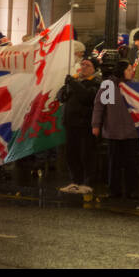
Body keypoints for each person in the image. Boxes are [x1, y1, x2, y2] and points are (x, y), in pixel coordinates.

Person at [92, 61, 139, 203]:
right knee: (114, 163)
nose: (132, 72)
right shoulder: (110, 86)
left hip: (132, 131)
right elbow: (99, 106)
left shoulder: (135, 85)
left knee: (131, 163)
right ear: (122, 71)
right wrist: (96, 125)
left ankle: (132, 190)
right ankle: (115, 190)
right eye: (129, 69)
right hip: (113, 130)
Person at [58, 57, 101, 194]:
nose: (83, 67)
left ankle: (87, 182)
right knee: (71, 154)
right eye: (82, 64)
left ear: (94, 69)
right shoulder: (76, 80)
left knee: (86, 154)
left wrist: (74, 84)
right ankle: (75, 181)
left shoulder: (96, 82)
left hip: (85, 123)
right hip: (71, 123)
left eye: (87, 65)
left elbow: (87, 97)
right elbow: (62, 97)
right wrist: (64, 89)